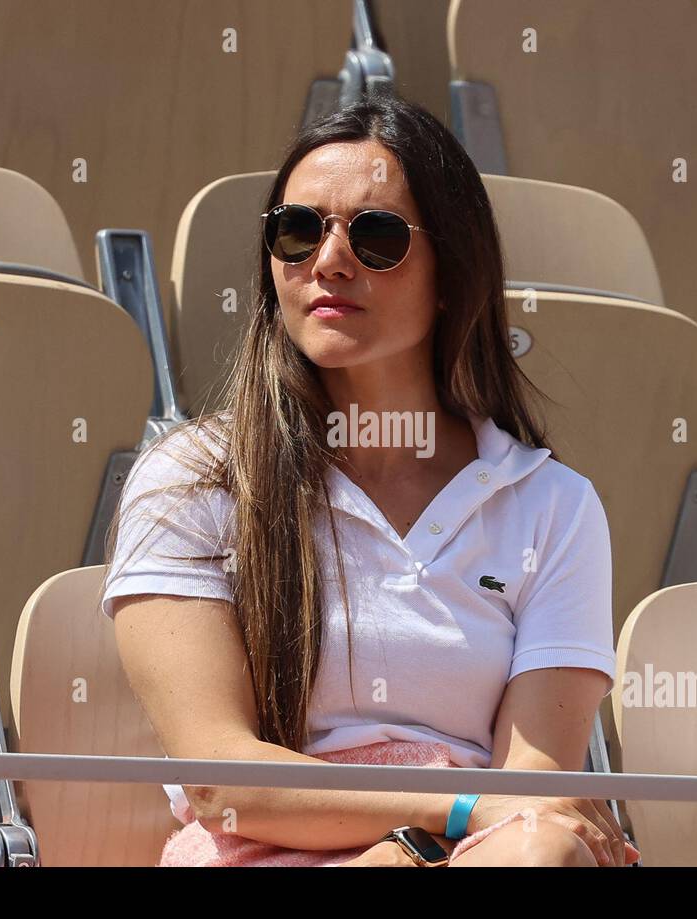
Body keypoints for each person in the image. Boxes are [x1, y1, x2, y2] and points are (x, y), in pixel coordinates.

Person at [99, 92, 634, 867]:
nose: (329, 260)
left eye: (377, 236)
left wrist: (428, 845)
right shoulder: (193, 480)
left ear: (453, 272)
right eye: (297, 230)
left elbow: (537, 787)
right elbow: (220, 780)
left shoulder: (552, 506)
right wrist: (438, 817)